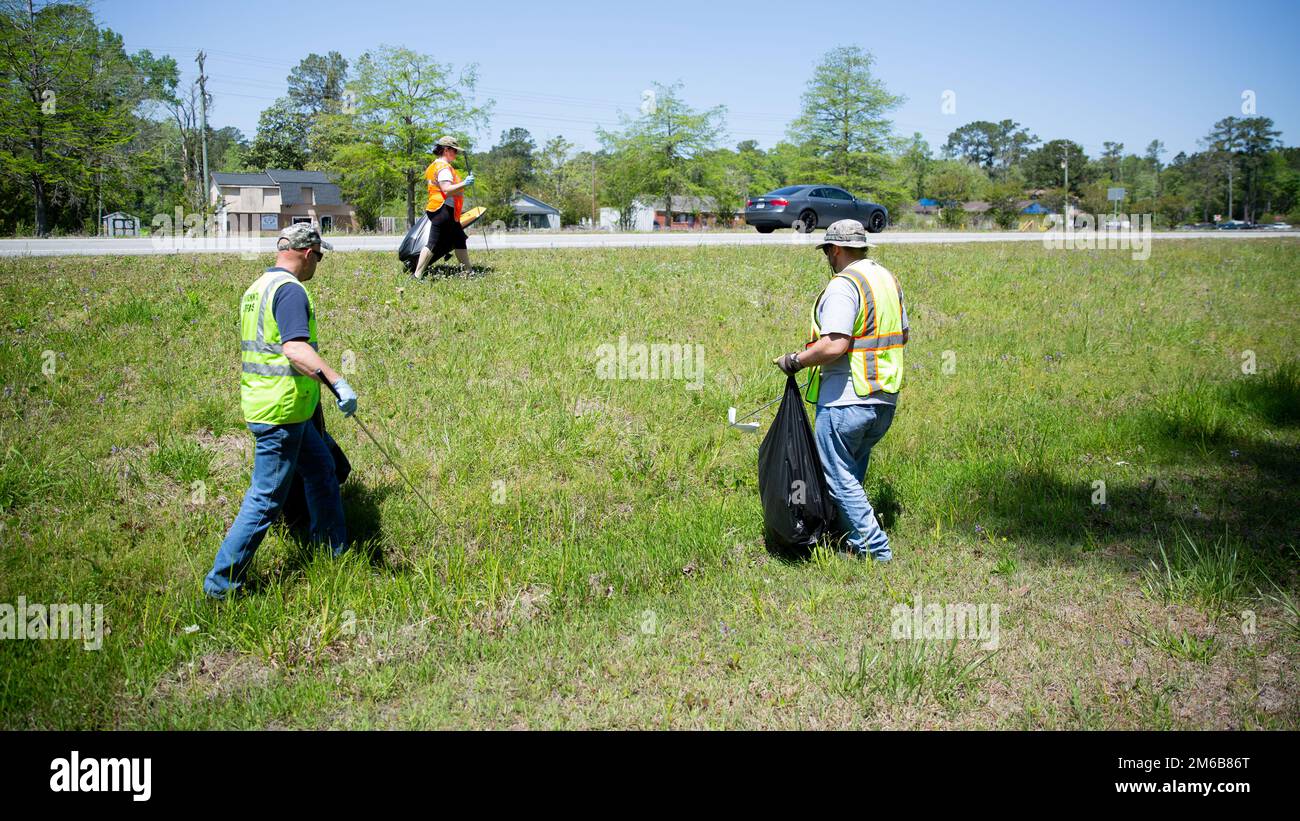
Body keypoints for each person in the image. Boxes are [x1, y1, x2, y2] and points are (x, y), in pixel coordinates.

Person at [204, 224, 359, 599]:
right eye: (319, 258)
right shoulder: (291, 291)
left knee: (322, 471)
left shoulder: (257, 288)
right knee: (266, 500)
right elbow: (293, 348)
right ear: (308, 254)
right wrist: (338, 382)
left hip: (279, 406)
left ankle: (331, 552)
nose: (318, 265)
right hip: (281, 411)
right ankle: (221, 585)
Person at [773, 219, 909, 562]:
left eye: (828, 252)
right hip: (884, 397)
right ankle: (846, 536)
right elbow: (902, 335)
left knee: (838, 477)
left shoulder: (844, 285)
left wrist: (795, 360)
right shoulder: (886, 280)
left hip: (847, 399)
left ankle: (875, 550)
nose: (828, 259)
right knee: (851, 471)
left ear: (834, 249)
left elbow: (834, 344)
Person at [411, 135, 476, 279]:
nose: (456, 154)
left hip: (444, 209)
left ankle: (468, 272)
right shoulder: (443, 168)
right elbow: (446, 189)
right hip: (442, 209)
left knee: (459, 239)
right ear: (446, 150)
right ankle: (417, 275)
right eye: (454, 151)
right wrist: (465, 183)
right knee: (433, 244)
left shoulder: (435, 165)